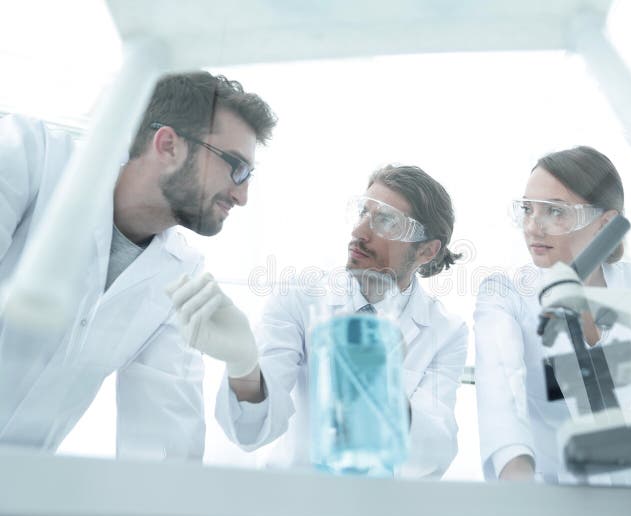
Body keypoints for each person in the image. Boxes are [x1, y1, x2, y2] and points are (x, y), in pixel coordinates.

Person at [0, 71, 277, 460]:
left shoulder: (181, 277)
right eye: (236, 167)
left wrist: (244, 364)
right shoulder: (28, 156)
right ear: (167, 145)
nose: (242, 194)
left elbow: (164, 450)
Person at [169, 164, 468, 478]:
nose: (359, 232)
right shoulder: (302, 298)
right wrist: (243, 364)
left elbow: (434, 454)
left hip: (379, 512)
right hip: (295, 507)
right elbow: (250, 431)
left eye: (386, 221)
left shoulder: (446, 331)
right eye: (363, 213)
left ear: (427, 250)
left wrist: (382, 389)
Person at [474, 146, 631, 484]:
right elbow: (500, 390)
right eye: (528, 209)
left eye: (555, 212)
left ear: (605, 224)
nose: (533, 227)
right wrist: (518, 485)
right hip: (552, 494)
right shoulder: (505, 293)